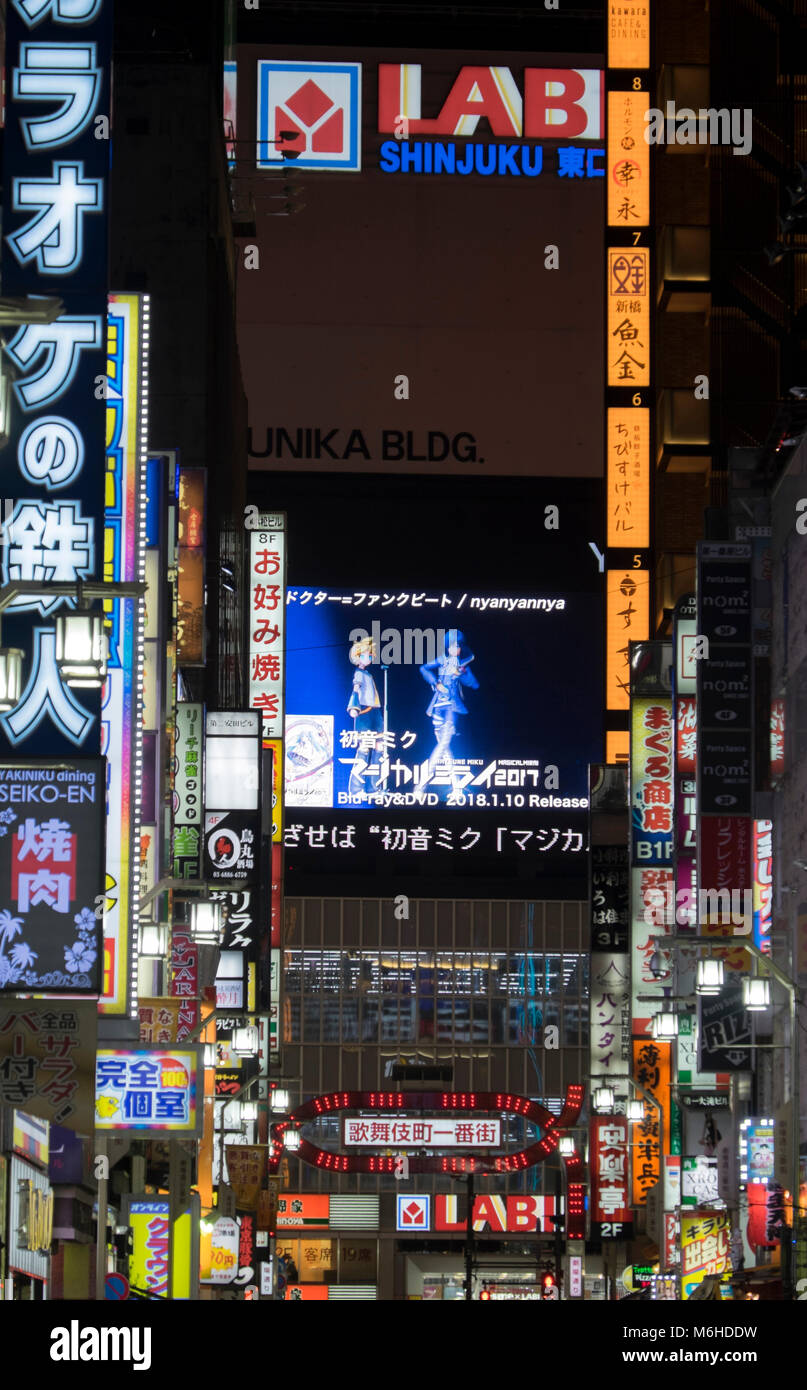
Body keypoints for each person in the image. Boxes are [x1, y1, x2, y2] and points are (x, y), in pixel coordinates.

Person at [417, 628, 479, 798]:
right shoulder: (442, 660)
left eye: (457, 646)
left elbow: (474, 684)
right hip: (438, 706)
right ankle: (457, 788)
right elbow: (423, 668)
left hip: (452, 708)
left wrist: (463, 674)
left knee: (444, 744)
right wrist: (435, 683)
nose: (455, 649)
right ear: (447, 647)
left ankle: (421, 785)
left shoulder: (461, 664)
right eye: (452, 646)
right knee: (445, 750)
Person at [346, 635, 383, 798]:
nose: (368, 657)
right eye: (364, 654)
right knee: (363, 748)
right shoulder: (359, 673)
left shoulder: (367, 674)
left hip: (375, 712)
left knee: (379, 747)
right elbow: (355, 690)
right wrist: (353, 707)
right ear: (357, 656)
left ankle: (373, 787)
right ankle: (355, 789)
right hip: (365, 713)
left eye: (369, 655)